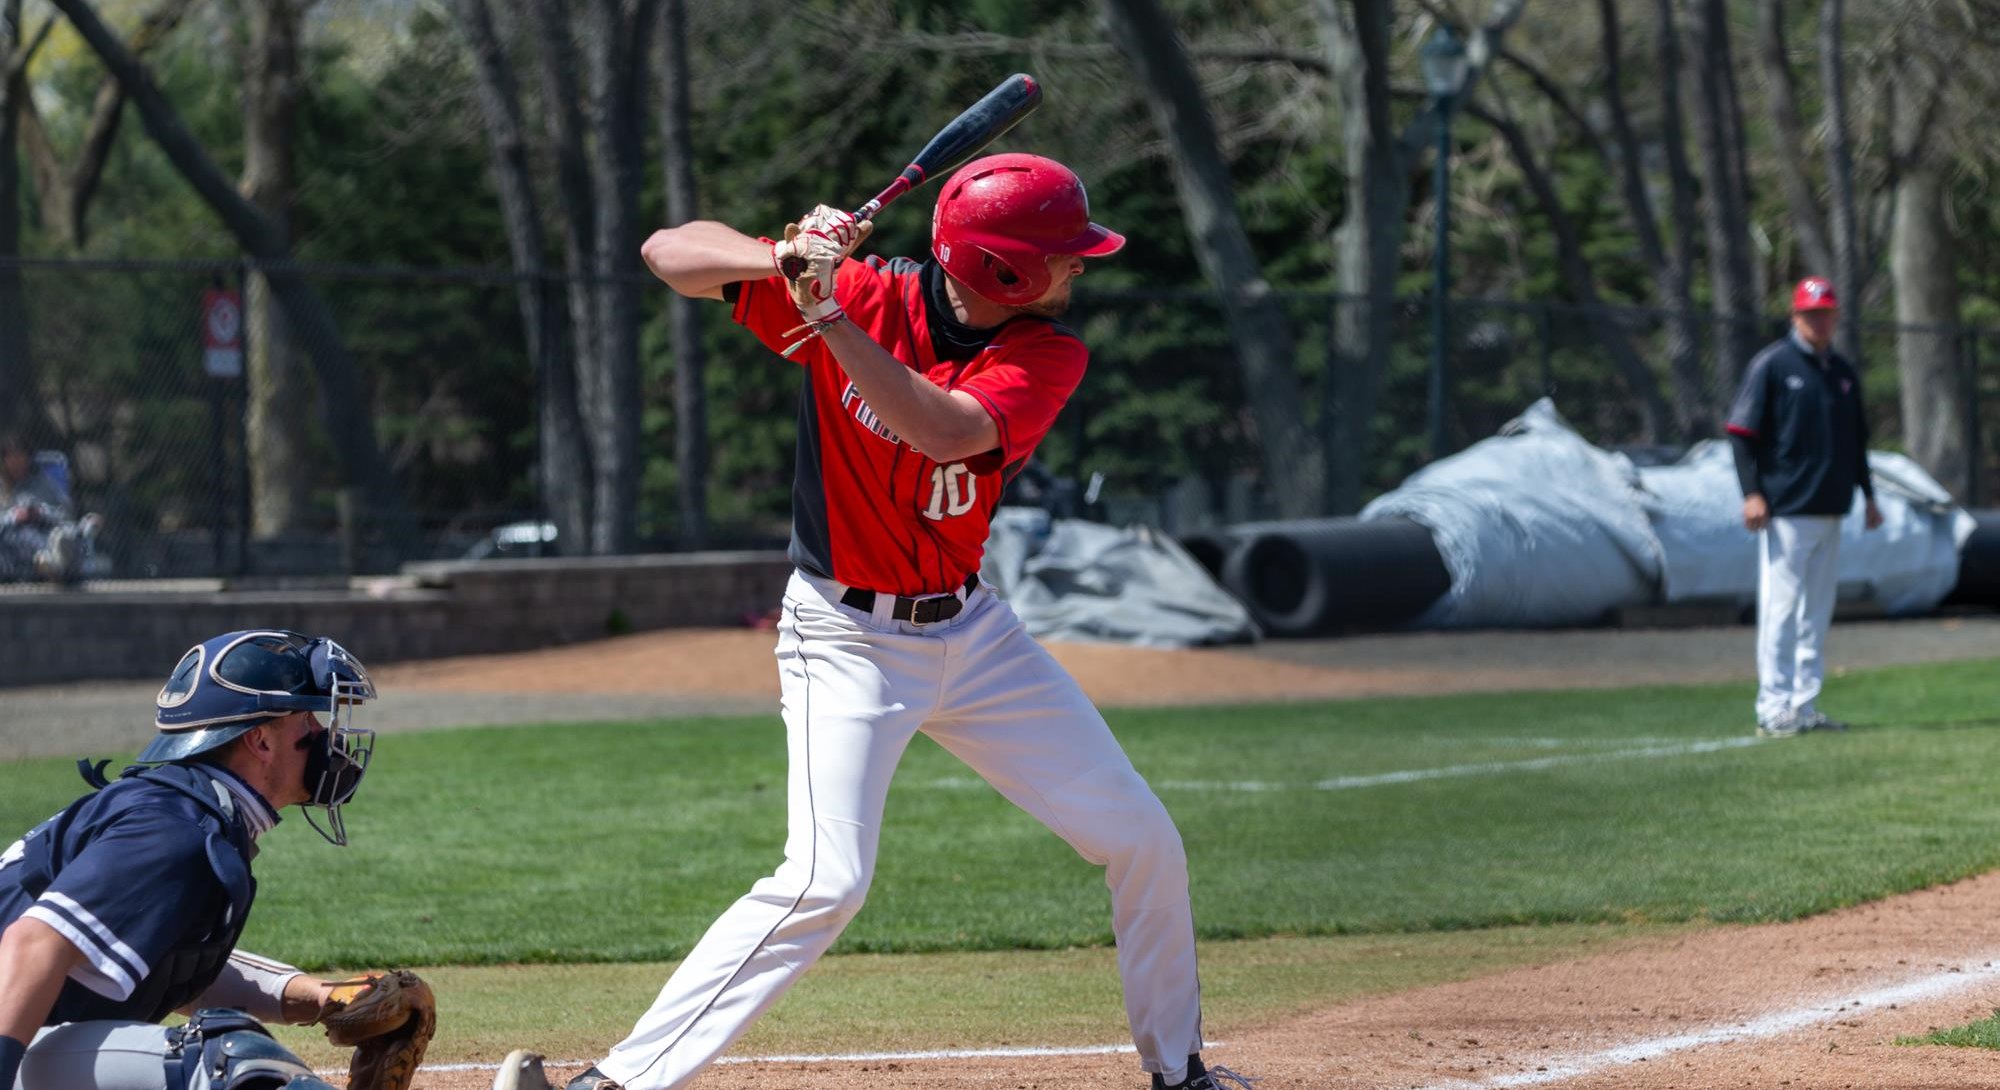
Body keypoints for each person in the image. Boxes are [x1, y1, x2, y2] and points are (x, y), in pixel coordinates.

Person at [495, 155, 1244, 1090]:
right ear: (1002, 271)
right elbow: (669, 251)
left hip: (974, 637)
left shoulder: (1046, 352)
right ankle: (615, 1086)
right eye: (1063, 257)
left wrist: (825, 315)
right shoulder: (854, 286)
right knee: (825, 880)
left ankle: (1179, 1073)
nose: (1079, 269)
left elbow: (943, 428)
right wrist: (785, 261)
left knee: (1143, 839)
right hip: (845, 639)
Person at [0, 629, 405, 1090]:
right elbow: (32, 944)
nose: (323, 734)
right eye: (307, 720)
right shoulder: (172, 830)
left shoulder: (191, 816)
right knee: (222, 1061)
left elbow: (163, 962)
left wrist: (311, 997)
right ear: (261, 741)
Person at [1725, 277, 1883, 738]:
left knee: (1816, 612)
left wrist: (1869, 496)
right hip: (1787, 511)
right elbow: (1741, 434)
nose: (1819, 320)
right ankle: (1773, 706)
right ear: (1796, 316)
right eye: (1811, 312)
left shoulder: (1842, 373)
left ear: (1835, 316)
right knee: (1782, 609)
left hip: (1832, 508)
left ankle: (1804, 703)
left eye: (1826, 312)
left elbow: (1858, 443)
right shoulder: (1773, 365)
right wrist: (1752, 493)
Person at [0, 433, 90, 584]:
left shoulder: (44, 483)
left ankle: (53, 561)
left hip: (46, 529)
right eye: (11, 457)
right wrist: (14, 516)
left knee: (65, 534)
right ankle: (54, 562)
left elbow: (65, 512)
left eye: (21, 456)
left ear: (29, 458)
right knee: (22, 535)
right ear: (4, 461)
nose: (17, 462)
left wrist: (41, 512)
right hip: (11, 541)